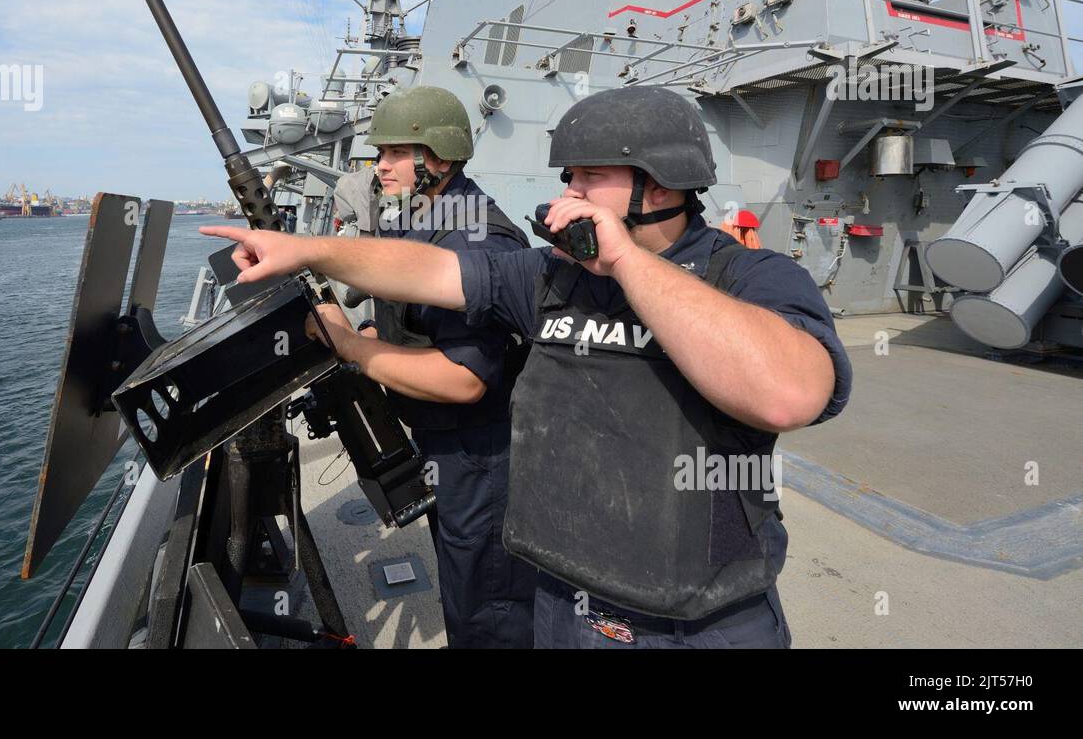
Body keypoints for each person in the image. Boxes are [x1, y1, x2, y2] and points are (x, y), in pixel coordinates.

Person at [203, 85, 853, 648]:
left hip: (699, 619)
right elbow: (434, 270)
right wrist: (305, 249)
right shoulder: (549, 277)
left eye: (586, 179)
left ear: (658, 183)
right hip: (567, 601)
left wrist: (626, 260)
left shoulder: (749, 274)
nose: (566, 196)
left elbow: (787, 393)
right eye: (566, 178)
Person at [309, 85, 536, 648]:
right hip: (448, 447)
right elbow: (417, 322)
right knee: (464, 582)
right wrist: (371, 332)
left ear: (437, 156)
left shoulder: (474, 238)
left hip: (482, 457)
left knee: (486, 606)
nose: (380, 167)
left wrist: (351, 348)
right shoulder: (425, 218)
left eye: (394, 153)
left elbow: (465, 378)